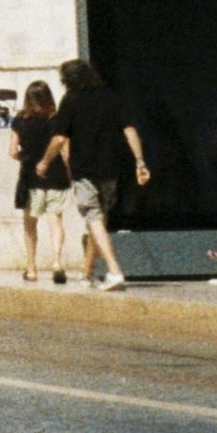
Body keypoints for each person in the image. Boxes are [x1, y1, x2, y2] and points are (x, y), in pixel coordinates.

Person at [56, 59, 145, 290]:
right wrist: (140, 161)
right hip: (110, 170)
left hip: (84, 170)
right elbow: (130, 129)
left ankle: (114, 271)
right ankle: (87, 273)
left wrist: (45, 162)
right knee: (99, 221)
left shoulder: (71, 100)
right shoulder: (111, 97)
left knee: (93, 219)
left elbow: (59, 138)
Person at [8, 81, 70, 284]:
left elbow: (12, 151)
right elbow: (66, 152)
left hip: (30, 177)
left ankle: (32, 268)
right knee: (55, 221)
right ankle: (57, 262)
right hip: (56, 174)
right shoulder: (58, 118)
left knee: (30, 224)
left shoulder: (19, 119)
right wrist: (69, 173)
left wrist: (25, 157)